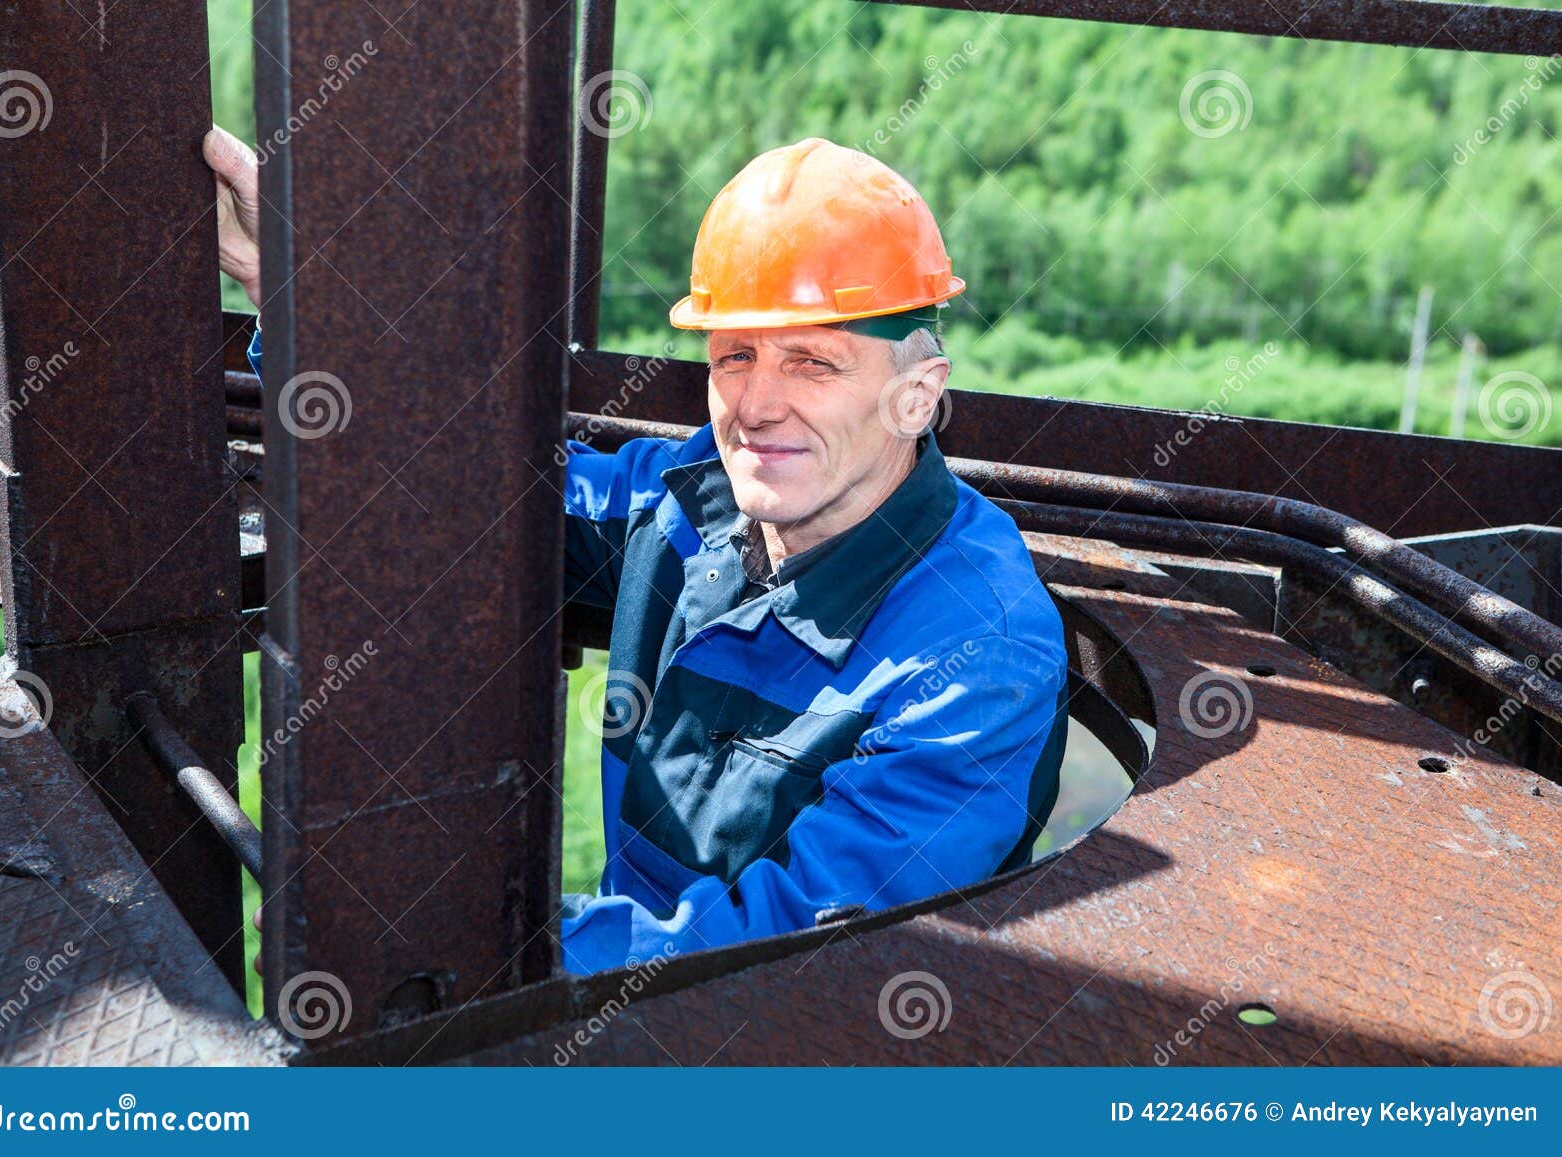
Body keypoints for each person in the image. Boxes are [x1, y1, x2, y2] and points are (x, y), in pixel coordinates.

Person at [207, 128, 1068, 976]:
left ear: (916, 397)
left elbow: (792, 954)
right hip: (604, 995)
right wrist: (302, 296)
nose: (758, 405)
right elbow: (455, 494)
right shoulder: (692, 503)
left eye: (813, 362)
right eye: (735, 355)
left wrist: (492, 947)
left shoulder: (975, 660)